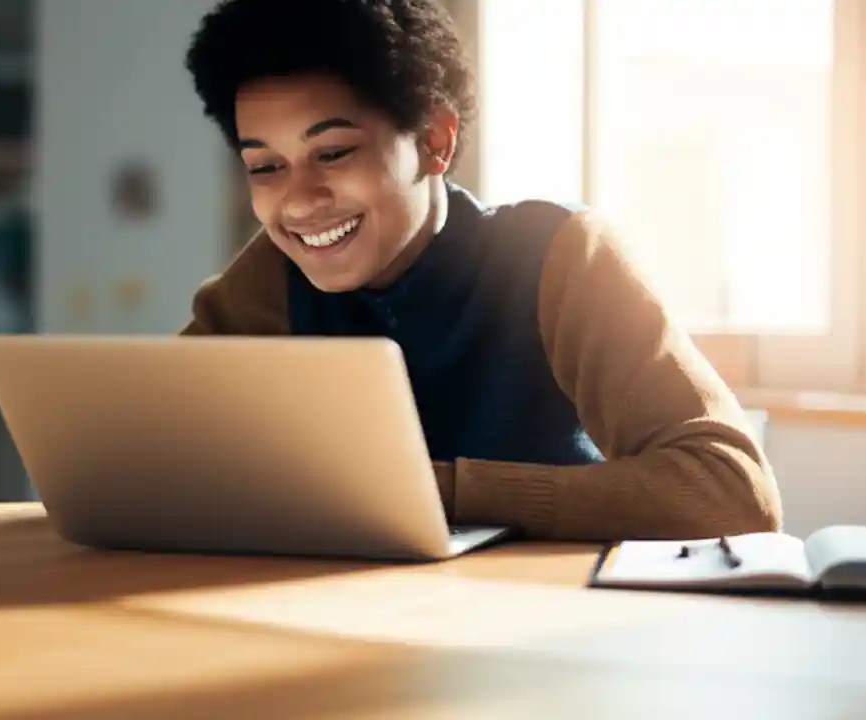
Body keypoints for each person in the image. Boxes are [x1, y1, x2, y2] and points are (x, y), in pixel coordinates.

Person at [179, 0, 782, 540]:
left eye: (333, 154)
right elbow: (144, 456)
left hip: (548, 626)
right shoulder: (271, 275)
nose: (300, 201)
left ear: (436, 140)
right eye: (265, 167)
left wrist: (433, 489)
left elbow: (730, 491)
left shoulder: (560, 256)